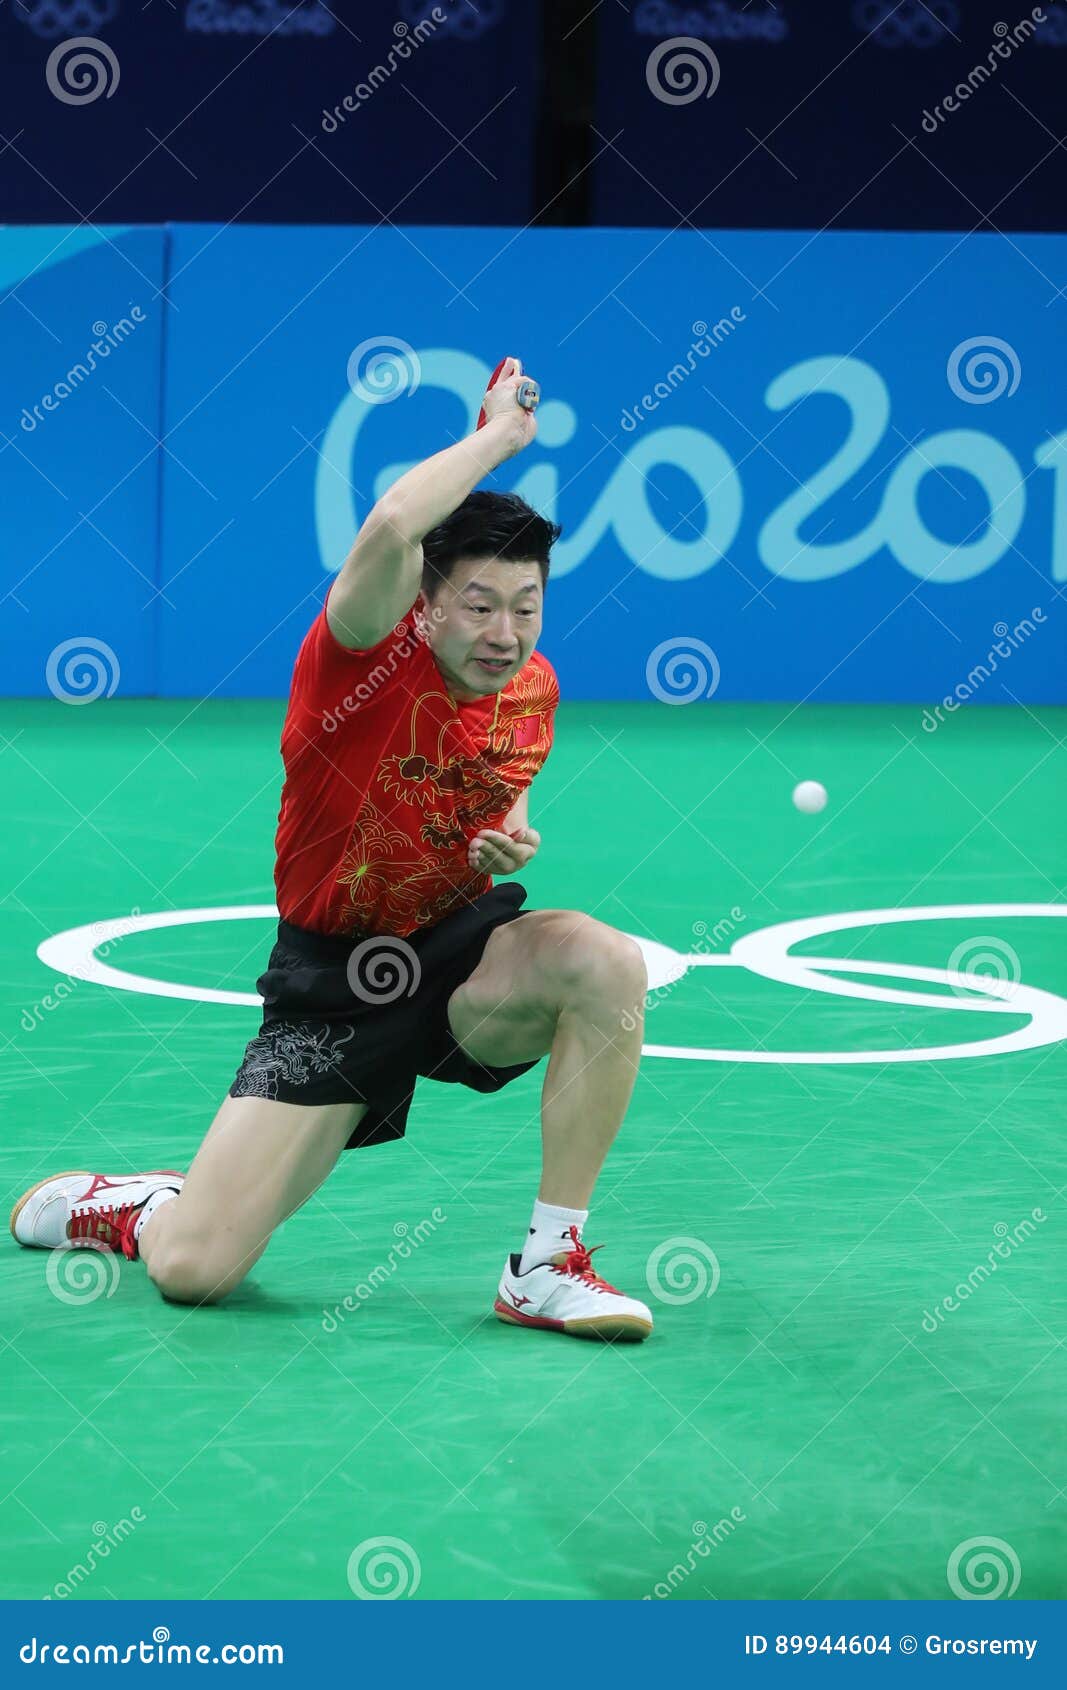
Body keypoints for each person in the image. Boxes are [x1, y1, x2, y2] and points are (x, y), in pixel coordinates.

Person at [11, 358, 654, 1342]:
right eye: (478, 605)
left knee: (604, 963)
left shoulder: (534, 687)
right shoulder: (356, 655)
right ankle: (147, 1207)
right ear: (425, 605)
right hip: (336, 982)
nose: (504, 632)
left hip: (459, 950)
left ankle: (544, 1265)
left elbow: (502, 771)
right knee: (196, 1273)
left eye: (525, 607)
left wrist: (512, 828)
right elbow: (395, 528)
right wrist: (498, 439)